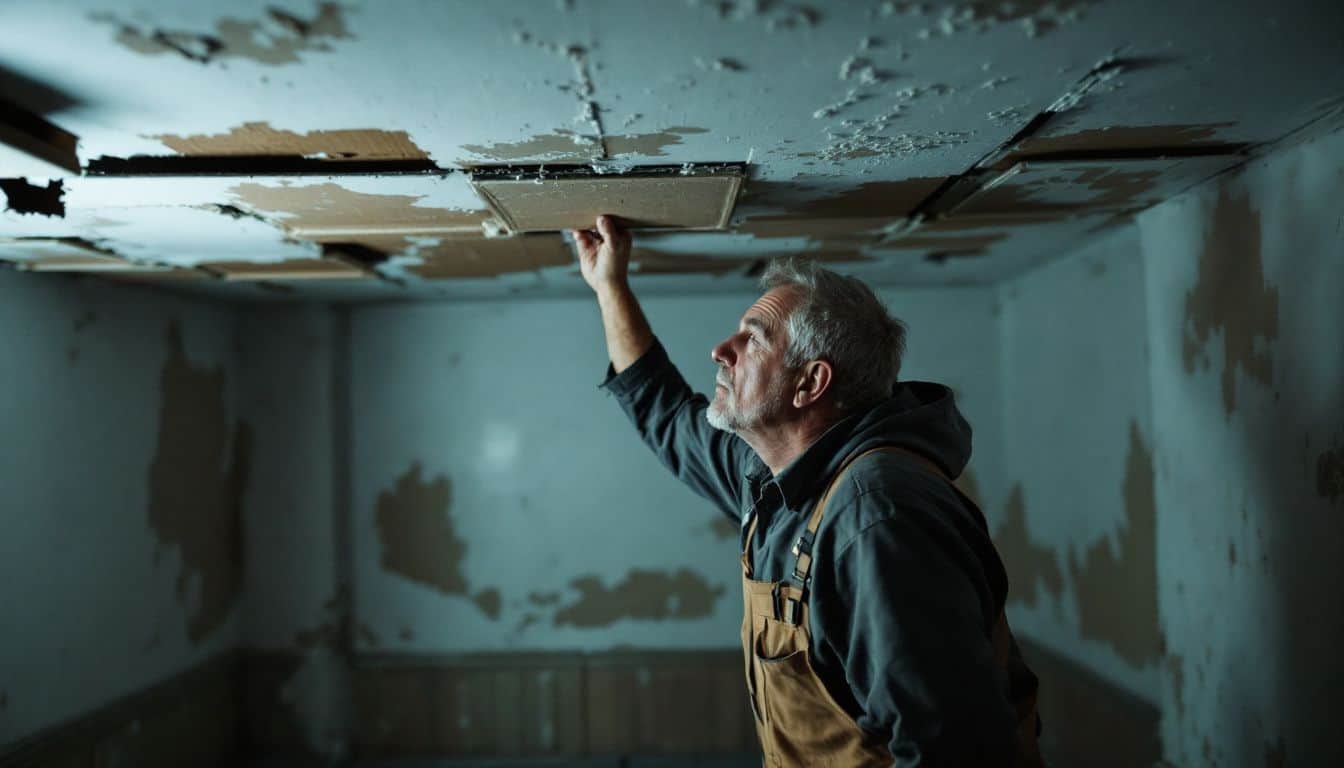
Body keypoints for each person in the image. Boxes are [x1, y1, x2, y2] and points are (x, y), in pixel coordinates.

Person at [572, 215, 1042, 767]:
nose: (722, 350)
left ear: (809, 383)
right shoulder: (772, 476)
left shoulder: (877, 516)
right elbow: (665, 412)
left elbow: (956, 752)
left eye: (754, 338)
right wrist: (611, 286)